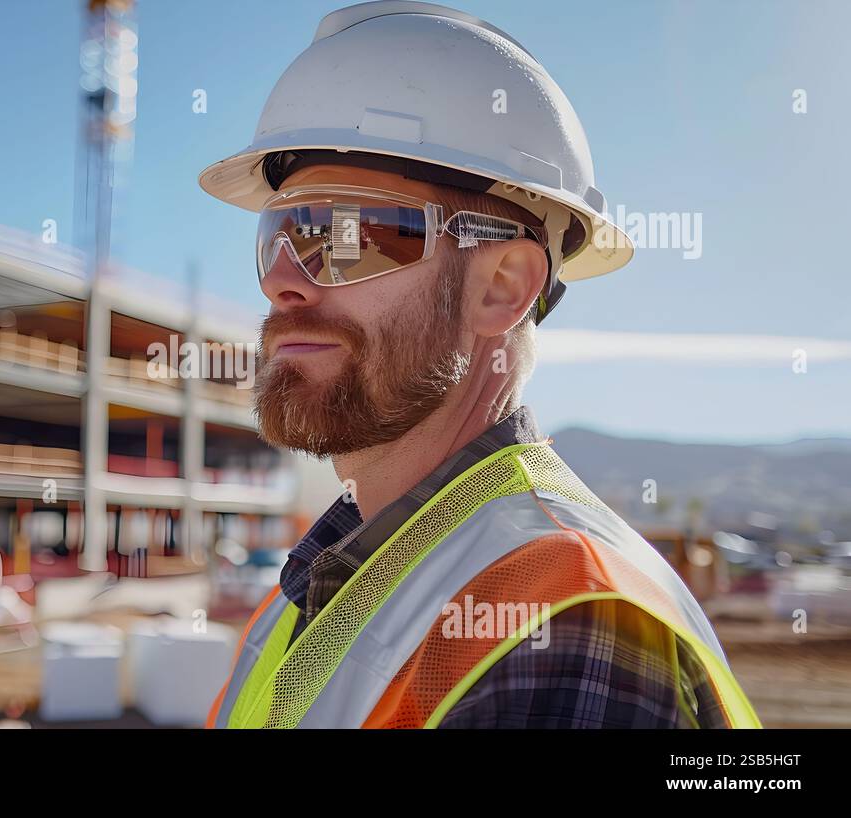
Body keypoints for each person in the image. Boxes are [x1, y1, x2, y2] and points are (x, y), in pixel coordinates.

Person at [201, 1, 758, 728]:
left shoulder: (561, 624)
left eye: (343, 234)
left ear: (502, 286)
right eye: (280, 234)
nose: (285, 279)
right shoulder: (324, 578)